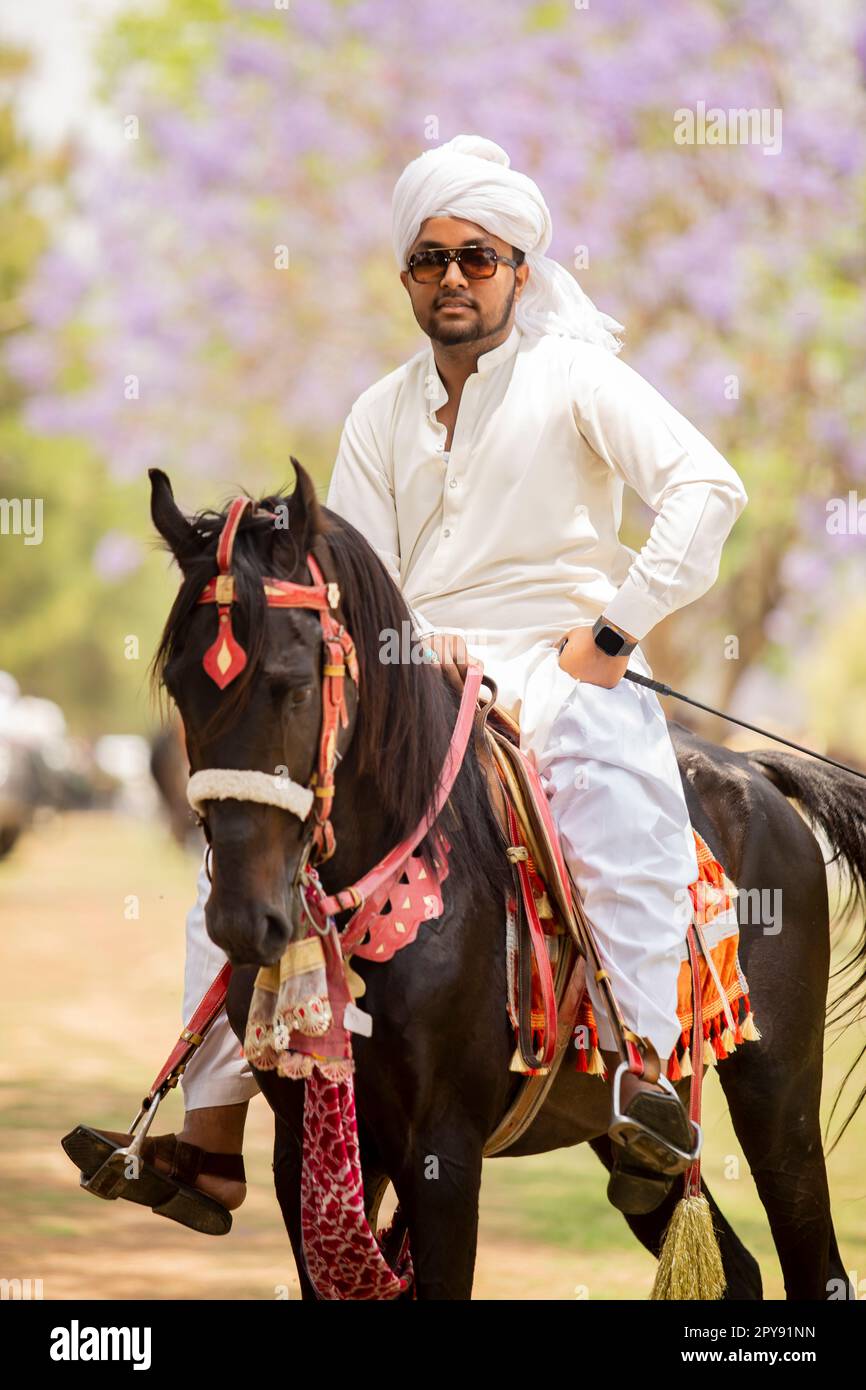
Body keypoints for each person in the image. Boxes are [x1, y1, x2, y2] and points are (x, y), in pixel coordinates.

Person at [69, 133, 747, 1223]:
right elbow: (359, 573)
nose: (451, 280)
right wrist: (404, 648)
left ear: (518, 268)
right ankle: (205, 1138)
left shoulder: (577, 377)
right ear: (405, 277)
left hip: (562, 663)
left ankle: (639, 1078)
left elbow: (706, 490)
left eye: (476, 259)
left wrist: (612, 636)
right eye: (428, 261)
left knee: (611, 797)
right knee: (247, 834)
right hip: (407, 674)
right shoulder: (377, 411)